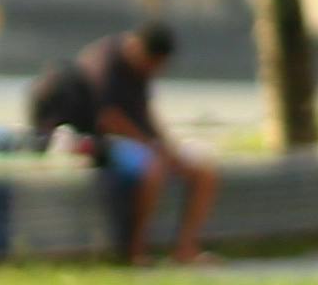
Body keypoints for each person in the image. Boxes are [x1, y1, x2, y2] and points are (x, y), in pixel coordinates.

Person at [28, 19, 219, 266]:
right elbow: (107, 118)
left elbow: (147, 112)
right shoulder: (105, 63)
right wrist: (152, 148)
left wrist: (168, 147)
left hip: (142, 141)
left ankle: (186, 248)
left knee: (204, 173)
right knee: (152, 172)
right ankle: (136, 251)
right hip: (105, 141)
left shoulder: (143, 72)